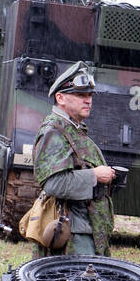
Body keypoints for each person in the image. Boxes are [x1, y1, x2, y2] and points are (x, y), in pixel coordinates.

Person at [32, 61, 116, 256]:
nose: (88, 100)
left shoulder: (73, 130)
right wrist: (94, 175)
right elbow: (54, 183)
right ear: (60, 98)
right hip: (72, 237)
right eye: (80, 95)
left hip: (87, 230)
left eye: (89, 95)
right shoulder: (54, 131)